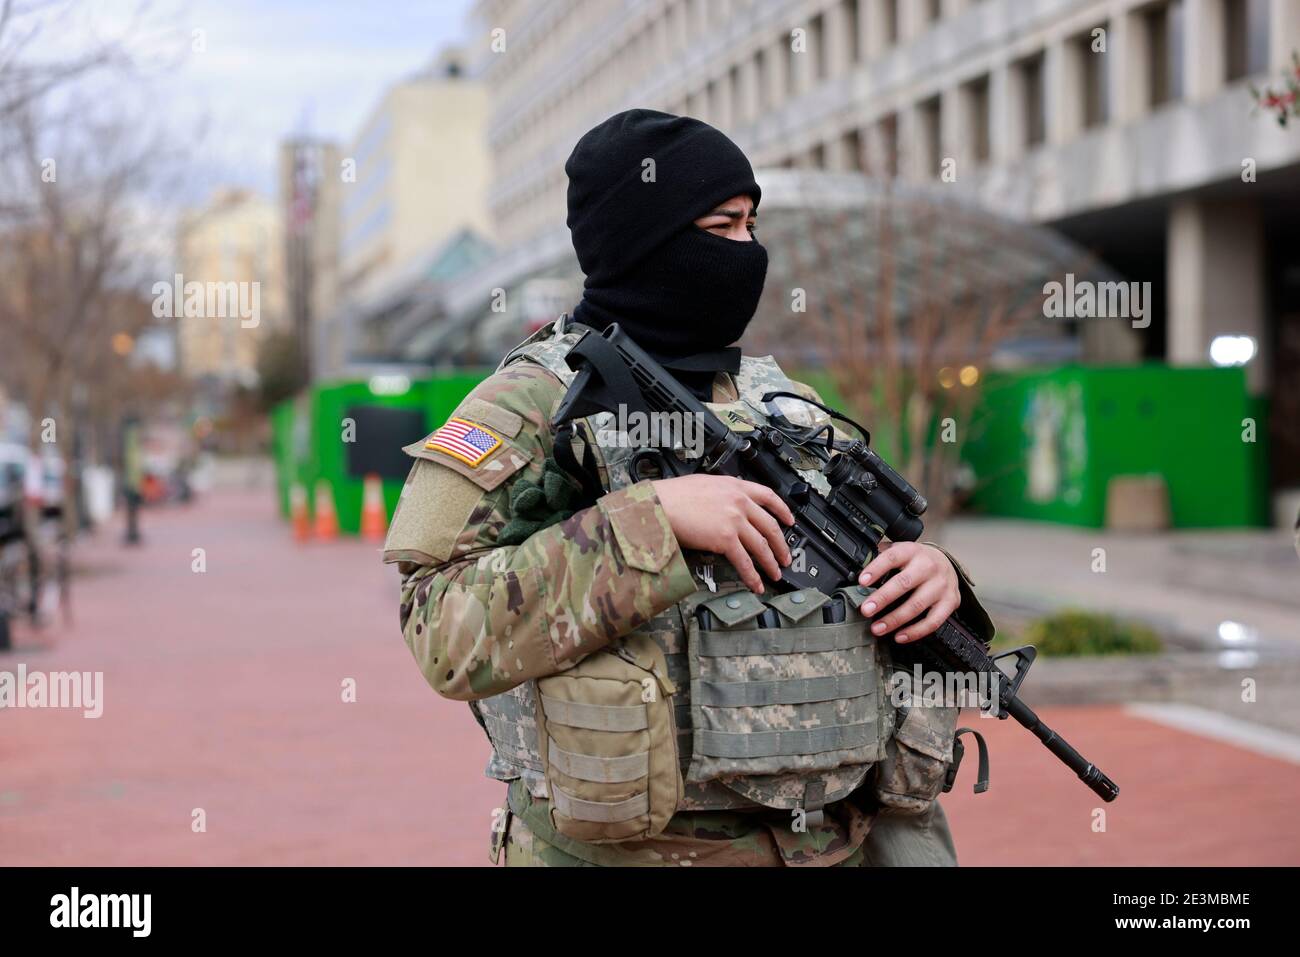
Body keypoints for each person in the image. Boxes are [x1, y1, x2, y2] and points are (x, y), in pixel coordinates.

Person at [384, 110, 995, 867]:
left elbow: (869, 572)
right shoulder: (530, 405)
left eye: (752, 225)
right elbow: (440, 629)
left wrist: (932, 578)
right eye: (722, 226)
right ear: (648, 241)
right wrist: (650, 525)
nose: (749, 250)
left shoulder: (783, 402)